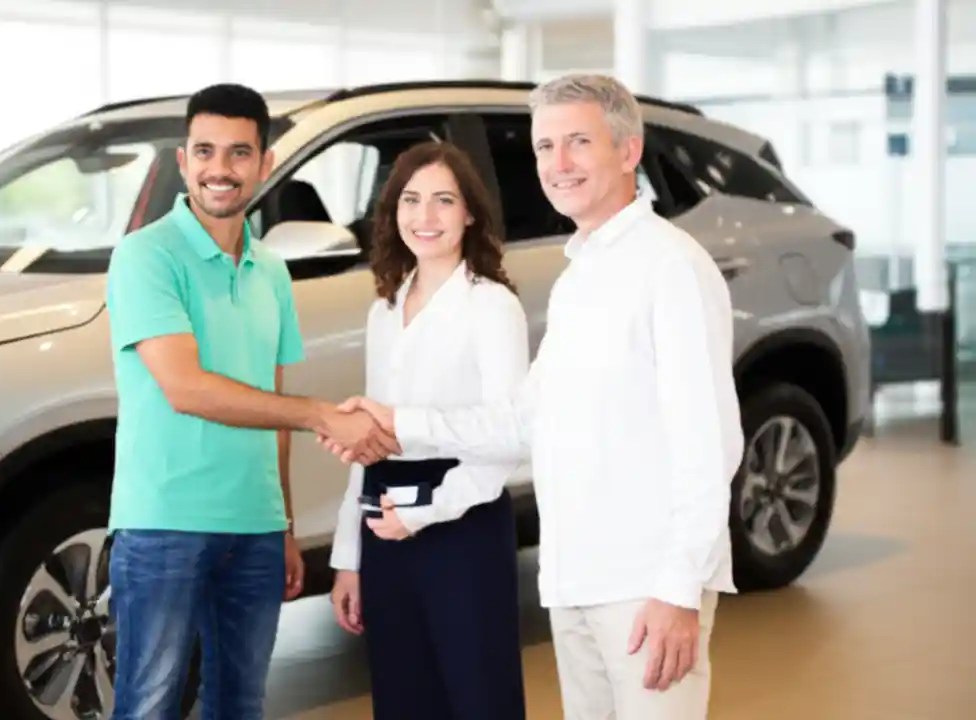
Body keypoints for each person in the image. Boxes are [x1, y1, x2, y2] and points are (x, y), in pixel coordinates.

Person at [324, 74, 745, 720]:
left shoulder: (671, 267)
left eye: (578, 142)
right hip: (575, 579)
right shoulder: (581, 278)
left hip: (644, 586)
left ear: (628, 151)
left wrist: (680, 589)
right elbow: (523, 422)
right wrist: (391, 421)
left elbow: (709, 444)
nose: (557, 163)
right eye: (545, 147)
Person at [104, 83, 398, 720]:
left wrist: (285, 524)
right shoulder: (145, 257)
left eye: (239, 154)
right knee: (148, 707)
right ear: (183, 162)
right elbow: (185, 388)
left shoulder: (270, 270)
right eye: (205, 151)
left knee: (240, 705)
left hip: (254, 528)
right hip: (164, 526)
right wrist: (323, 414)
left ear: (264, 165)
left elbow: (273, 401)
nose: (220, 169)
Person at [327, 141, 530, 720]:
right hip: (384, 528)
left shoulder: (492, 307)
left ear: (471, 213)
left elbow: (507, 437)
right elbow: (368, 443)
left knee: (477, 699)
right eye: (411, 200)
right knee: (402, 698)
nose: (426, 216)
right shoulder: (384, 308)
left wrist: (423, 513)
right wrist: (350, 556)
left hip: (462, 526)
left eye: (444, 200)